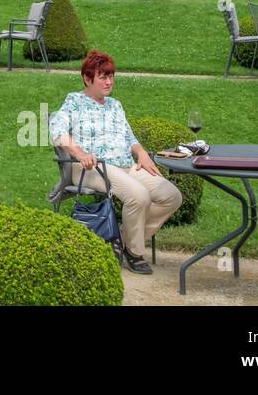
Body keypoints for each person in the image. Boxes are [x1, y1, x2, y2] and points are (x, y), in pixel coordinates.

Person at [49, 50, 183, 274]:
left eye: (111, 76)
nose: (109, 81)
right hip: (92, 168)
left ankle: (121, 238)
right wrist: (80, 153)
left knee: (171, 196)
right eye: (103, 77)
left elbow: (130, 138)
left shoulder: (115, 105)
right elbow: (57, 131)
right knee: (139, 196)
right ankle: (134, 253)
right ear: (87, 78)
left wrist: (141, 153)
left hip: (126, 166)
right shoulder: (75, 101)